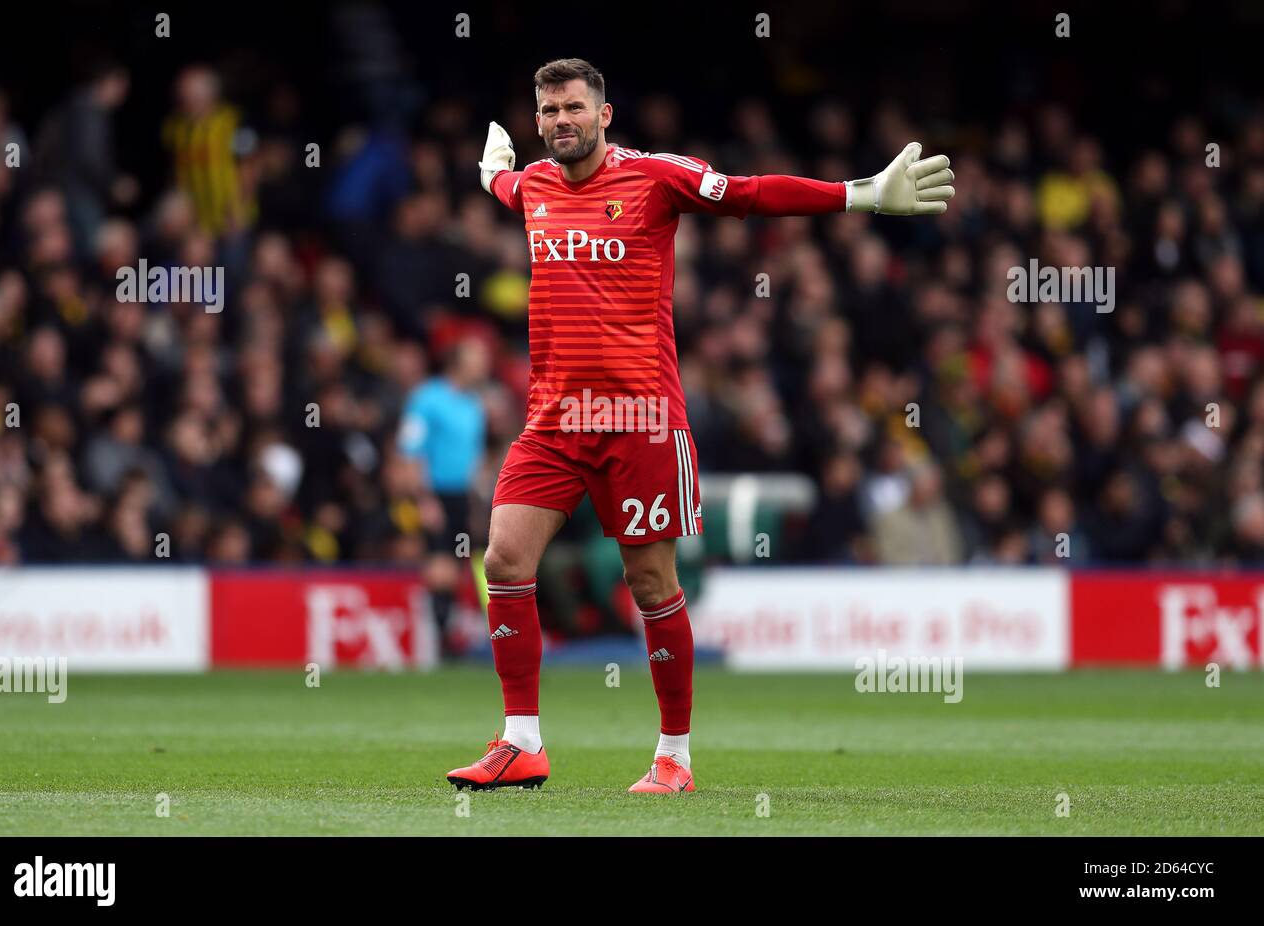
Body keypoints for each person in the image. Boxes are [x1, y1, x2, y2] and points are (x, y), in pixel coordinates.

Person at [436, 56, 956, 793]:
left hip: (642, 419)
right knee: (504, 562)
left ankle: (673, 756)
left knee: (650, 582)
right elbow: (507, 185)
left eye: (573, 108)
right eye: (548, 112)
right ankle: (522, 741)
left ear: (604, 114)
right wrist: (490, 174)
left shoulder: (653, 176)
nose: (560, 122)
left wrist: (863, 193)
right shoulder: (535, 187)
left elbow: (750, 194)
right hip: (553, 421)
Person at [397, 337, 489, 657]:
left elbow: (474, 458)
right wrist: (423, 499)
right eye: (476, 355)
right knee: (440, 566)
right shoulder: (426, 399)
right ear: (457, 361)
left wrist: (479, 499)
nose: (484, 362)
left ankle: (476, 635)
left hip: (464, 496)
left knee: (469, 565)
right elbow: (410, 452)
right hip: (435, 493)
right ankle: (439, 644)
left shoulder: (474, 404)